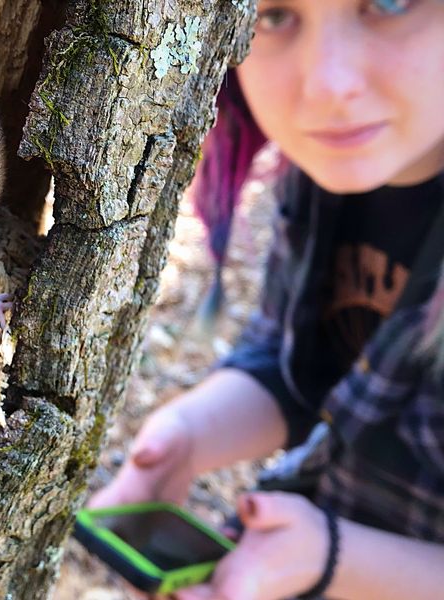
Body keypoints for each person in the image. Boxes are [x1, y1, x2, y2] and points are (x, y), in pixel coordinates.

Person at [90, 1, 444, 598]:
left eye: (388, 2)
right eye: (275, 14)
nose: (327, 85)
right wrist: (188, 434)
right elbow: (294, 367)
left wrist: (332, 558)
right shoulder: (320, 174)